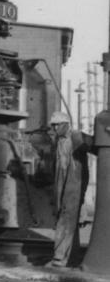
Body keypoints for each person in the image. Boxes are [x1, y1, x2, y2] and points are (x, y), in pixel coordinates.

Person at [47, 111, 93, 267]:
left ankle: (59, 259)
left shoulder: (76, 137)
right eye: (53, 124)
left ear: (66, 124)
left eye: (57, 124)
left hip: (74, 185)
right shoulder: (58, 140)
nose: (54, 127)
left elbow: (95, 145)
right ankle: (72, 258)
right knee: (67, 219)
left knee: (65, 220)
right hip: (62, 184)